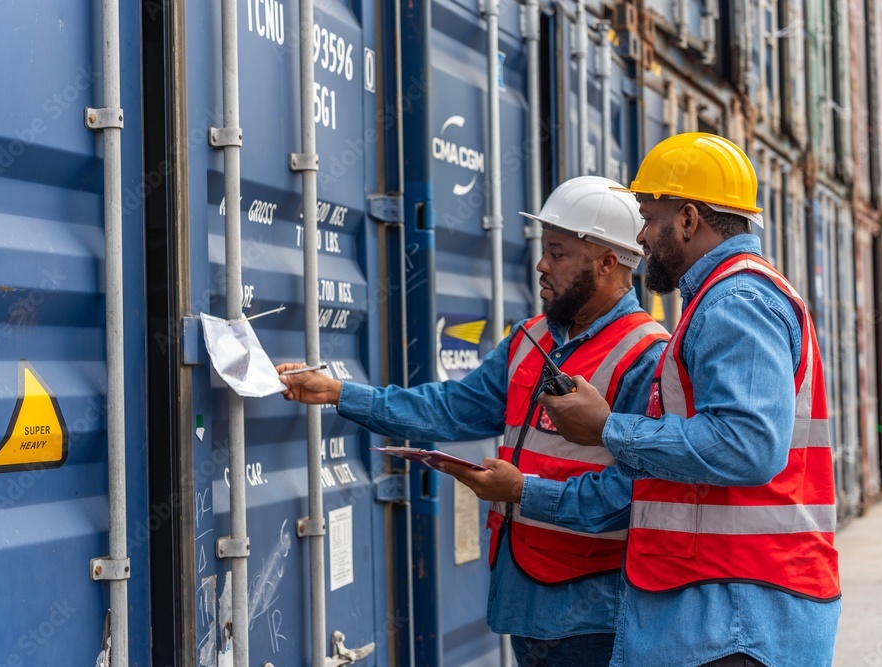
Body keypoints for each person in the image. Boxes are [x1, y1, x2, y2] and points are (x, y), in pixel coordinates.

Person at [445, 133, 841, 667]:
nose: (641, 236)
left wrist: (607, 429)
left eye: (650, 217)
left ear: (688, 220)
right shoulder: (724, 298)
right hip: (723, 606)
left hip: (736, 615)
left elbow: (749, 447)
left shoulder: (737, 300)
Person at [278, 176, 669, 667]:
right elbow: (451, 407)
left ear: (608, 263)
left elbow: (633, 496)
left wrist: (523, 490)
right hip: (521, 600)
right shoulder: (531, 338)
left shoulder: (646, 356)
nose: (541, 265)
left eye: (558, 252)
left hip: (593, 618)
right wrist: (339, 392)